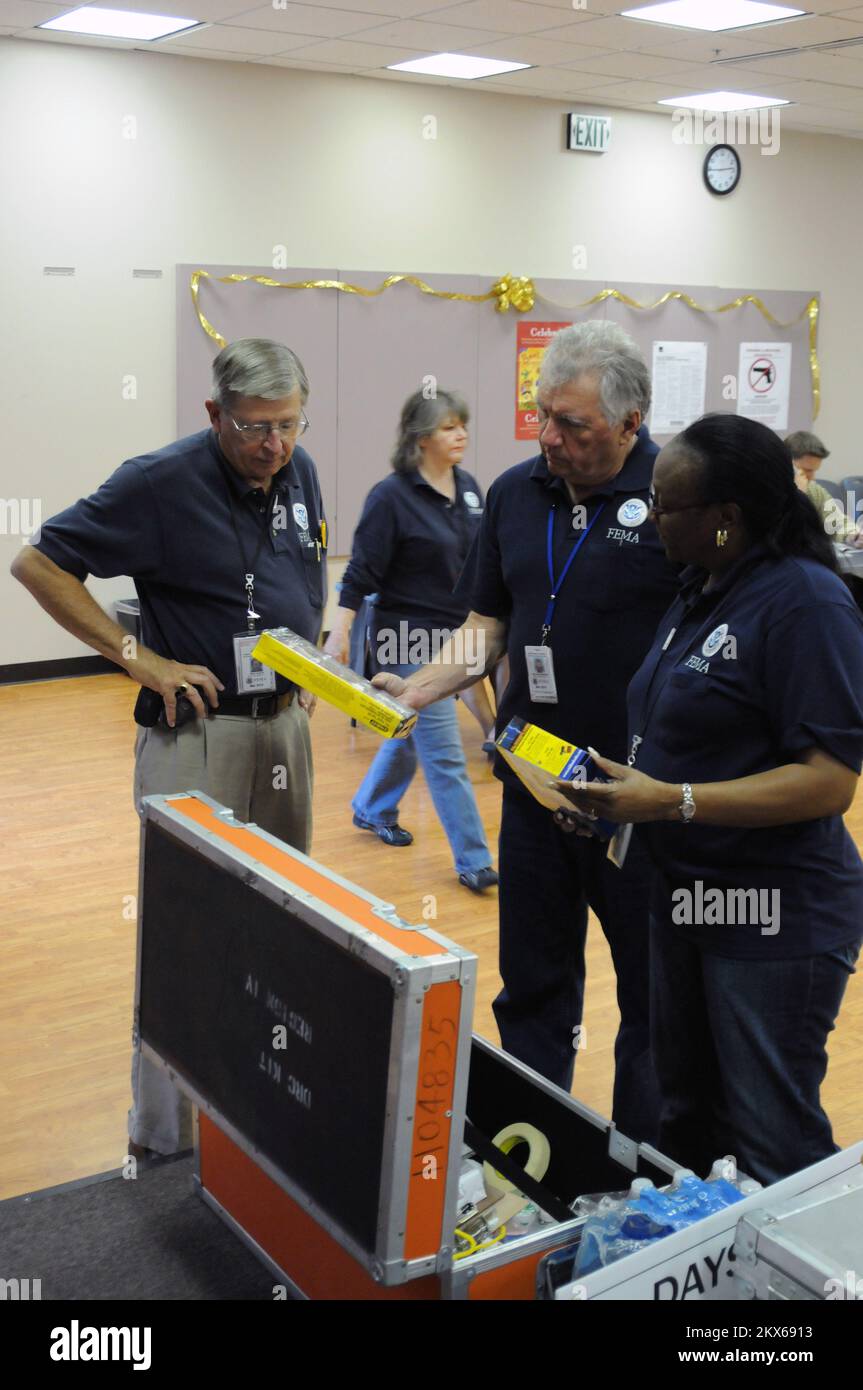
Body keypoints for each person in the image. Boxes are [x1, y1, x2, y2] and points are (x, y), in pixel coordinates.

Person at [11, 338, 326, 1158]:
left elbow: (303, 578)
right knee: (189, 939)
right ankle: (165, 1142)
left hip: (285, 728)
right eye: (254, 428)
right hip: (198, 739)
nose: (274, 446)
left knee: (284, 926)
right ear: (215, 413)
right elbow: (38, 562)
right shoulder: (158, 481)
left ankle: (251, 1125)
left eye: (288, 425)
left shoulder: (301, 472)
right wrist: (137, 659)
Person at [371, 323, 681, 1145]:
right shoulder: (513, 492)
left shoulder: (677, 499)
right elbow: (487, 622)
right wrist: (423, 684)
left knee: (653, 999)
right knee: (533, 986)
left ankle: (635, 1172)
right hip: (533, 780)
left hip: (634, 800)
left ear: (629, 422)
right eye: (542, 415)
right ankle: (531, 1155)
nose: (548, 437)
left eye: (571, 424)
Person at [555, 413, 863, 1185]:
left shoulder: (805, 604)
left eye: (666, 506)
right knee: (684, 1117)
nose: (649, 517)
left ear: (725, 519)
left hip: (773, 911)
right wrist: (617, 802)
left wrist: (671, 801)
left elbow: (831, 780)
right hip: (686, 898)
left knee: (773, 1137)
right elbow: (679, 742)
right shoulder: (701, 588)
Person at [325, 389, 497, 893]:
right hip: (405, 639)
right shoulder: (391, 496)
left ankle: (372, 807)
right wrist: (340, 631)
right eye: (448, 427)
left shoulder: (469, 489)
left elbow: (482, 565)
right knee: (442, 749)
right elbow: (359, 572)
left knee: (408, 732)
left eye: (462, 424)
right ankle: (474, 859)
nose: (461, 433)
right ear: (421, 438)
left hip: (458, 634)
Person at [785, 429, 863, 545]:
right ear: (786, 462)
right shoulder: (769, 489)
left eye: (814, 471)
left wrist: (852, 534)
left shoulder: (813, 490)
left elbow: (836, 522)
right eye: (807, 470)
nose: (811, 478)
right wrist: (798, 495)